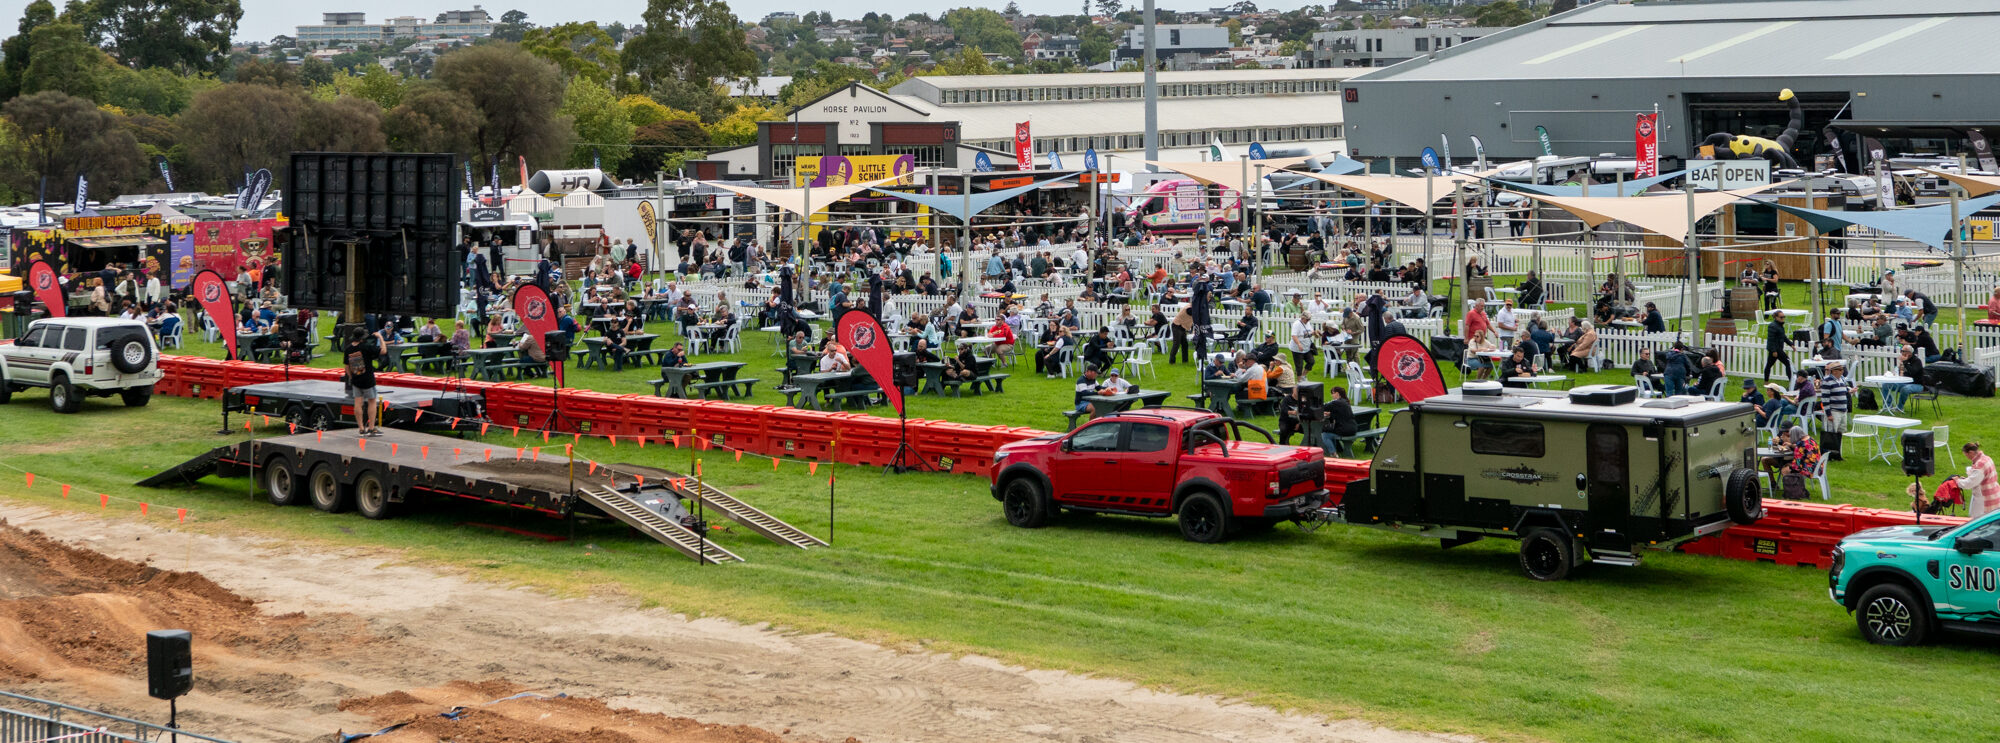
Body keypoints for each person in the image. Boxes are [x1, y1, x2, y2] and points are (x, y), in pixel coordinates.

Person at [342, 327, 384, 437]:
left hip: (356, 378)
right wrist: (380, 337)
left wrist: (351, 376)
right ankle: (371, 428)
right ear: (362, 338)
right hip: (368, 379)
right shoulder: (365, 347)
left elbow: (346, 367)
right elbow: (383, 351)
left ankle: (361, 428)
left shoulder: (348, 349)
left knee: (358, 403)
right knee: (372, 401)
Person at [1318, 386, 1360, 456]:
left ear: (1337, 393)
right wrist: (1330, 413)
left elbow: (1324, 407)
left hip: (1344, 429)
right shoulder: (1345, 401)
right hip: (1353, 428)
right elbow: (1341, 413)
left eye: (1332, 393)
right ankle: (1335, 449)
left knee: (1325, 433)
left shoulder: (1336, 402)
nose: (1332, 395)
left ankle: (1333, 453)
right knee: (1330, 430)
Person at [1885, 344, 1925, 411]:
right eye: (1901, 351)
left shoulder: (1917, 361)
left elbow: (1913, 372)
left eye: (1903, 351)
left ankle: (1900, 408)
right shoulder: (1904, 361)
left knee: (1905, 389)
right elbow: (1899, 372)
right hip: (1905, 382)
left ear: (1909, 353)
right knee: (1886, 385)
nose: (1902, 353)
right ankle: (1887, 406)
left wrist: (1905, 362)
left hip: (1917, 384)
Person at [1763, 313, 1792, 382]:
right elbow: (1771, 339)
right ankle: (1791, 381)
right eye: (1781, 317)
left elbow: (1783, 337)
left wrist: (1791, 344)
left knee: (1769, 365)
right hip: (1776, 349)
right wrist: (1773, 351)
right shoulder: (1772, 326)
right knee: (1788, 363)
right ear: (1776, 317)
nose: (1783, 318)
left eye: (1784, 317)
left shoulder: (1780, 326)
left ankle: (1766, 381)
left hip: (1778, 349)